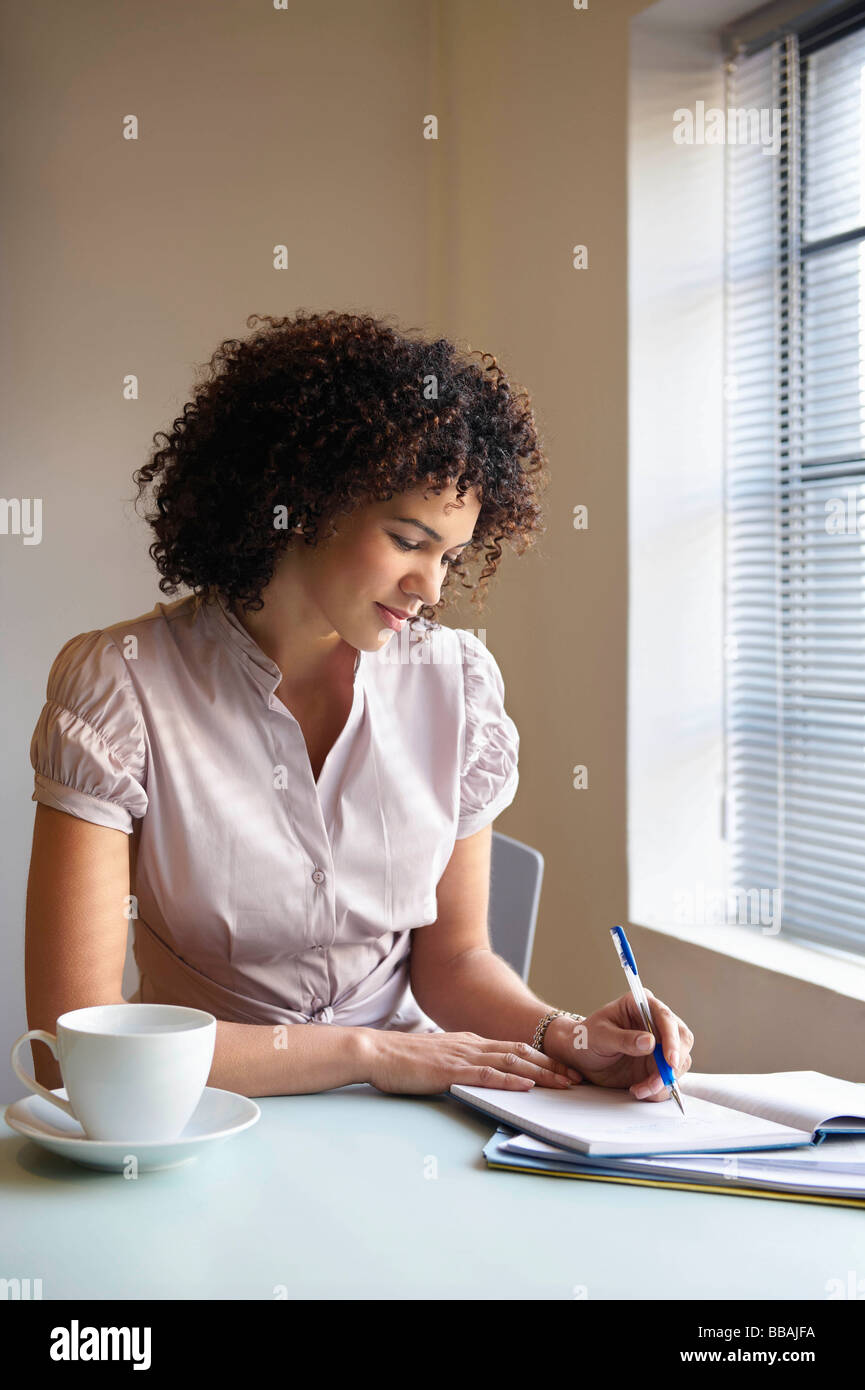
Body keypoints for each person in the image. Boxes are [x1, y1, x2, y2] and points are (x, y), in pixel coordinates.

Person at [25, 309, 694, 1100]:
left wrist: (569, 1034)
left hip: (408, 1109)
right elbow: (71, 1046)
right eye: (409, 541)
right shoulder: (121, 683)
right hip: (194, 1113)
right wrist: (367, 1054)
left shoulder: (459, 685)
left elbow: (451, 965)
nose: (433, 588)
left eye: (450, 555)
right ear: (302, 500)